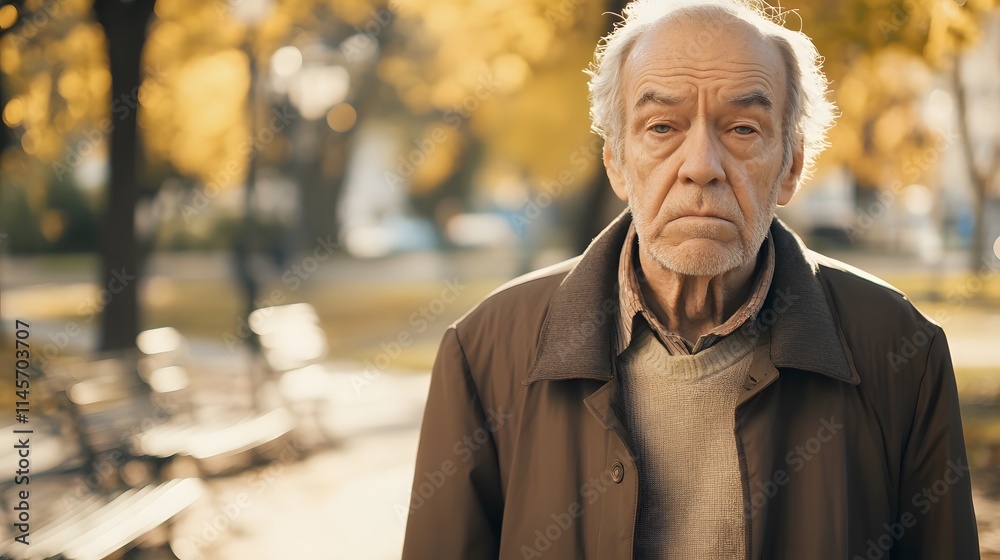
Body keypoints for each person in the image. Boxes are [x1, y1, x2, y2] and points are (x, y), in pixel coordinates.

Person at [400, 0, 981, 558]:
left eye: (743, 129)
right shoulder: (484, 353)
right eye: (661, 127)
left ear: (791, 166)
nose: (701, 166)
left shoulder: (901, 351)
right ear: (616, 162)